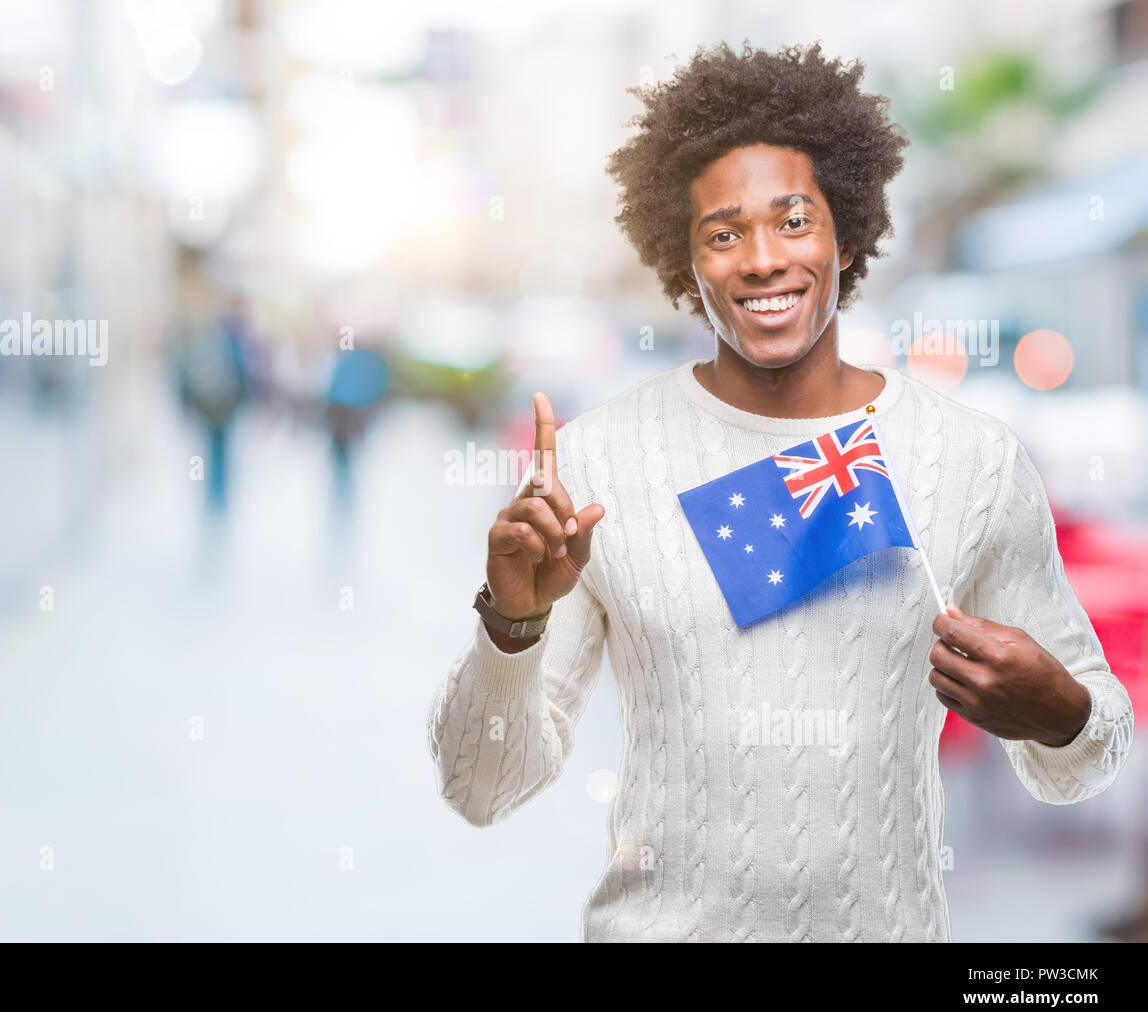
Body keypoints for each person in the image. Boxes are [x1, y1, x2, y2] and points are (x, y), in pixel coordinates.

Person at [425, 40, 1134, 942]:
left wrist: (1061, 713)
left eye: (793, 221)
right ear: (685, 259)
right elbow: (479, 791)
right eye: (723, 233)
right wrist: (511, 621)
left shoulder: (971, 460)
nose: (762, 259)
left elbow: (1091, 756)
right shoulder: (598, 466)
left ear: (848, 229)